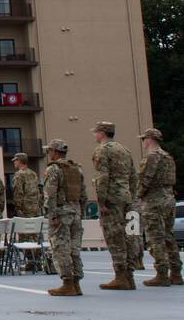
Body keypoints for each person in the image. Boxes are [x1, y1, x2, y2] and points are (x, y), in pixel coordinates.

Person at [91, 120, 138, 290]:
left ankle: (120, 276)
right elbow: (133, 176)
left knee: (114, 236)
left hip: (112, 199)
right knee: (128, 236)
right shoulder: (124, 150)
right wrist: (131, 195)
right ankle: (129, 275)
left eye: (95, 132)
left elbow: (103, 177)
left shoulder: (102, 150)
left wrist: (101, 201)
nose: (94, 135)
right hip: (126, 197)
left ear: (102, 133)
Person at [136, 128, 180, 286]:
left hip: (155, 200)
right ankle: (176, 272)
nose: (143, 142)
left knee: (155, 237)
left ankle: (161, 273)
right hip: (168, 197)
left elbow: (146, 179)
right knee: (168, 237)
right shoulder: (167, 157)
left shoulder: (152, 157)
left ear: (148, 140)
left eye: (143, 139)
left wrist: (139, 196)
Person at [42, 140, 86, 296]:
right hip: (76, 212)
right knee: (74, 249)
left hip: (61, 214)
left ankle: (67, 282)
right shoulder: (77, 169)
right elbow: (83, 195)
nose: (49, 154)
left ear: (54, 151)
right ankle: (76, 283)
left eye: (49, 151)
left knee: (61, 248)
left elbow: (50, 194)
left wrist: (51, 214)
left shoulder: (54, 169)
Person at [11, 153, 41, 218]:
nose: (14, 162)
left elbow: (18, 192)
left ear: (19, 161)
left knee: (25, 227)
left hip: (25, 209)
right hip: (36, 207)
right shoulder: (33, 173)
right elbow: (38, 190)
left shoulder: (18, 174)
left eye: (15, 160)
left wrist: (18, 208)